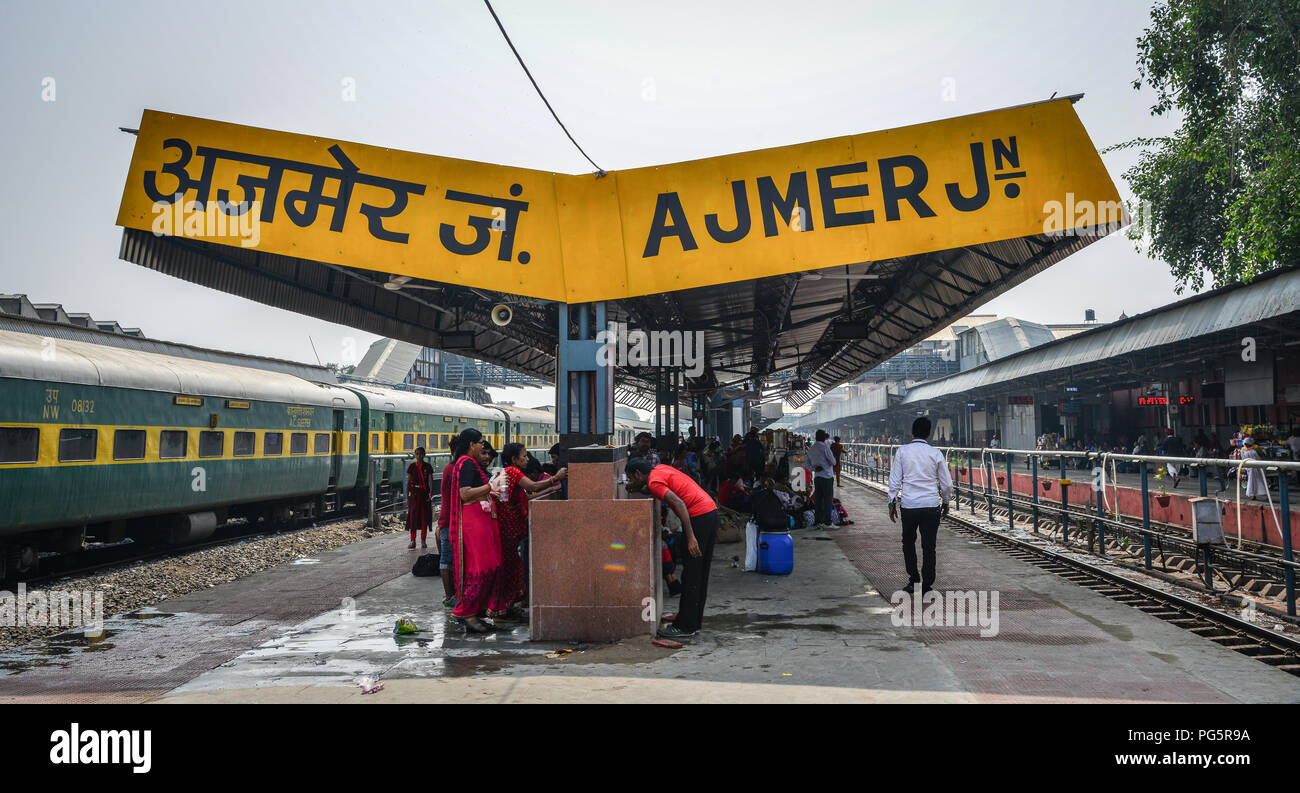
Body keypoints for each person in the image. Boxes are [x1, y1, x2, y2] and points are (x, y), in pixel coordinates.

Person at [626, 457, 719, 643]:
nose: (630, 482)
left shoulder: (653, 481)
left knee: (691, 574)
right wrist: (636, 488)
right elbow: (654, 490)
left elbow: (678, 503)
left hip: (698, 518)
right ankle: (693, 621)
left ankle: (684, 627)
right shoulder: (660, 470)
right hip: (711, 512)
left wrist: (691, 537)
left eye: (631, 479)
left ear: (638, 473)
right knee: (700, 573)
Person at [491, 443, 567, 619]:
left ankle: (506, 606)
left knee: (511, 565)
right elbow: (532, 487)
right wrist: (556, 478)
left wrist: (549, 487)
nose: (527, 459)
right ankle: (502, 607)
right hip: (509, 527)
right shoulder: (513, 472)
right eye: (524, 456)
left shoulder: (506, 472)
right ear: (514, 459)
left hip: (506, 525)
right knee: (511, 566)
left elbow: (524, 496)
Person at [448, 428, 508, 634]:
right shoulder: (466, 464)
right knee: (482, 567)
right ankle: (467, 611)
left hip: (480, 519)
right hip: (474, 522)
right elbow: (465, 494)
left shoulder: (467, 463)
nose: (483, 446)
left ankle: (474, 612)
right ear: (471, 445)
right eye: (481, 442)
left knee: (489, 565)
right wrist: (491, 486)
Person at [888, 416, 954, 594]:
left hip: (909, 505)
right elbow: (947, 484)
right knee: (929, 546)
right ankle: (927, 585)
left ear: (912, 432)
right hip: (931, 505)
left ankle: (914, 579)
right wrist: (946, 502)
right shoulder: (935, 453)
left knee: (908, 543)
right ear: (929, 433)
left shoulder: (902, 451)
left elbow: (895, 480)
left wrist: (891, 503)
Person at [405, 447, 435, 549]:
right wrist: (407, 496)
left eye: (421, 454)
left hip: (424, 495)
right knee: (413, 518)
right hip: (414, 495)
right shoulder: (412, 467)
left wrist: (430, 493)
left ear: (424, 455)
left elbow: (430, 481)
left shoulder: (428, 467)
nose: (419, 456)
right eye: (417, 454)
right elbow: (408, 482)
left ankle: (423, 540)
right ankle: (412, 540)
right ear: (415, 455)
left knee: (424, 518)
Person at [807, 430, 836, 527]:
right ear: (824, 438)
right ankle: (827, 522)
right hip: (827, 476)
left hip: (817, 477)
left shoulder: (811, 449)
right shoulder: (825, 448)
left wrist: (814, 468)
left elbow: (808, 464)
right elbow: (833, 462)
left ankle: (818, 521)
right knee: (828, 500)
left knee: (818, 500)